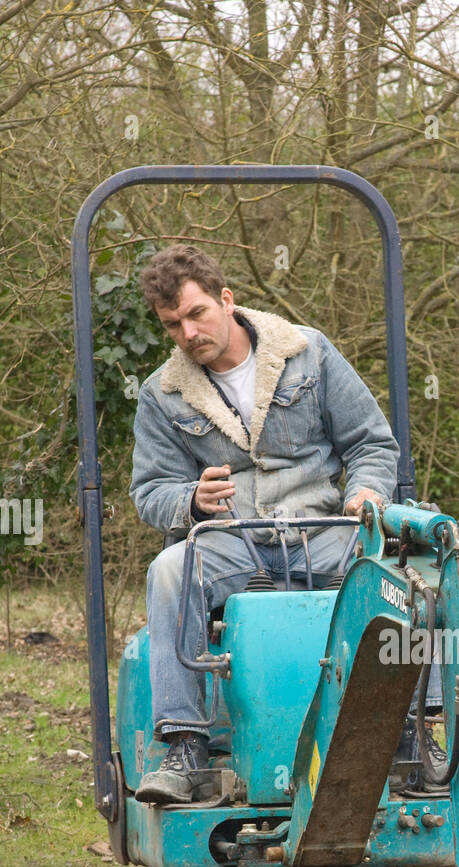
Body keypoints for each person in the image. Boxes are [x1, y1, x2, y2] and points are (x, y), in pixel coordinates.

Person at [130, 244, 442, 804]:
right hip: (232, 539)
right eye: (172, 324)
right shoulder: (161, 394)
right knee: (170, 571)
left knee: (411, 566)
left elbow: (372, 443)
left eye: (196, 314)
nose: (188, 332)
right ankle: (184, 747)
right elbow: (150, 493)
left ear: (226, 301)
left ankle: (416, 732)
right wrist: (192, 500)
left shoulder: (308, 353)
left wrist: (366, 492)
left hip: (324, 532)